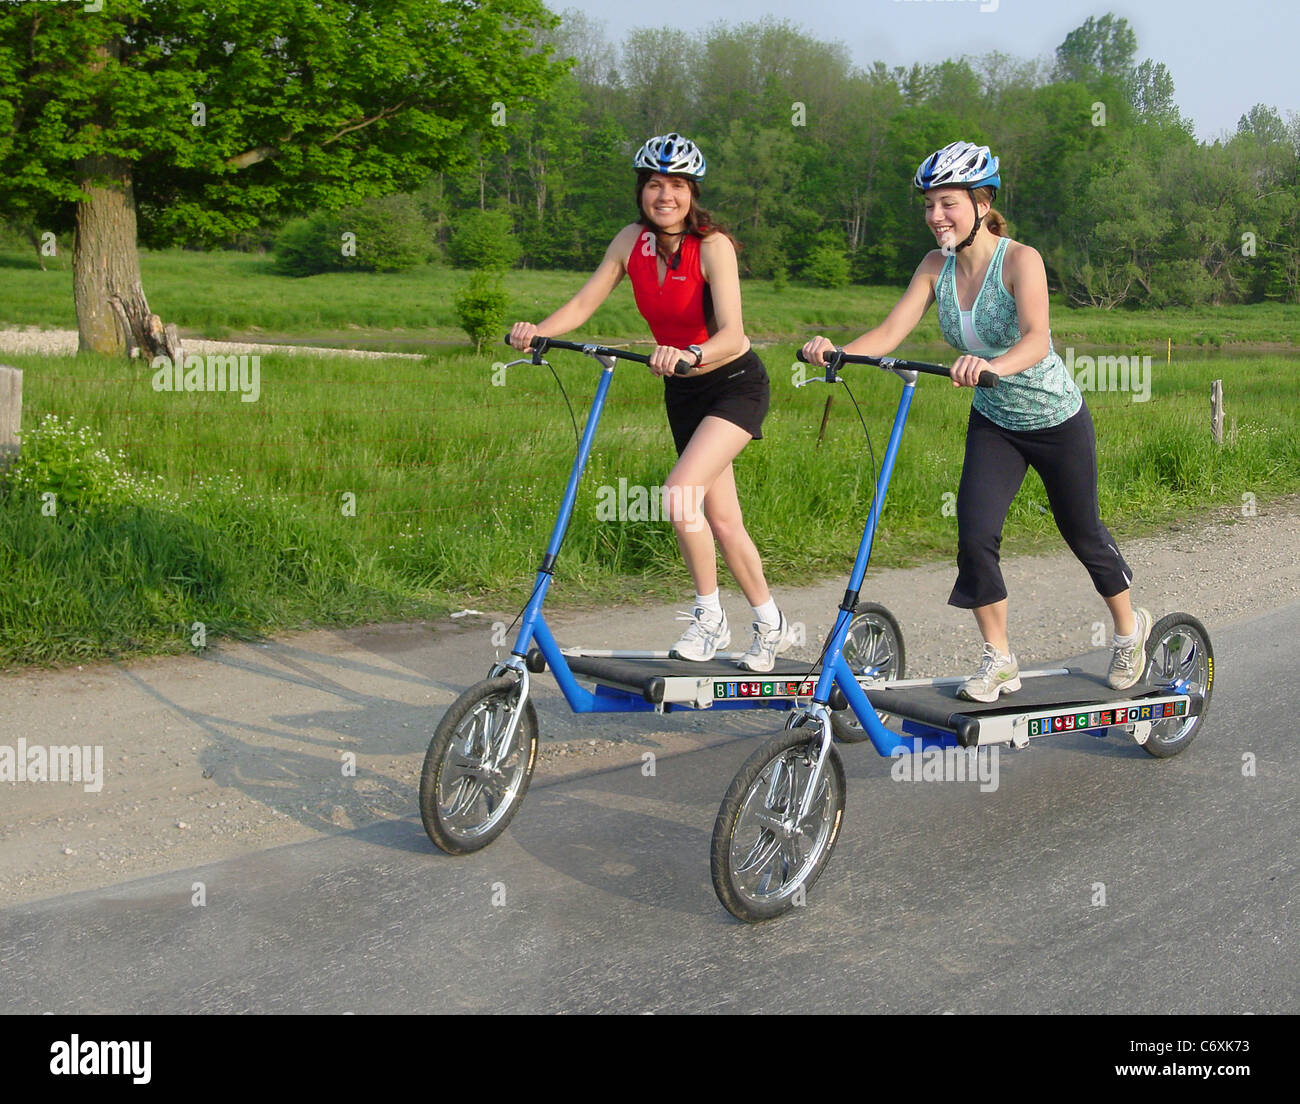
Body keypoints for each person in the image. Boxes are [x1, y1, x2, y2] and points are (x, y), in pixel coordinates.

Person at [802, 140, 1150, 701]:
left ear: (982, 203)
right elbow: (891, 333)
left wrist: (991, 364)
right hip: (996, 423)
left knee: (1082, 532)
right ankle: (999, 659)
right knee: (974, 534)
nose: (935, 216)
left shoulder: (1020, 260)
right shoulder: (933, 267)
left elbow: (1038, 339)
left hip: (1055, 419)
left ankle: (1130, 632)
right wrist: (837, 350)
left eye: (948, 204)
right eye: (929, 205)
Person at [508, 133, 792, 672]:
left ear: (693, 193)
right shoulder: (629, 242)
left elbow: (733, 334)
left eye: (678, 186)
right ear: (642, 191)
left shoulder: (713, 247)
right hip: (683, 390)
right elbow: (584, 302)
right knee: (723, 520)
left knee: (680, 495)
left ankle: (709, 618)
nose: (666, 195)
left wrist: (690, 351)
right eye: (655, 184)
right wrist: (537, 331)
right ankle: (772, 623)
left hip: (734, 382)